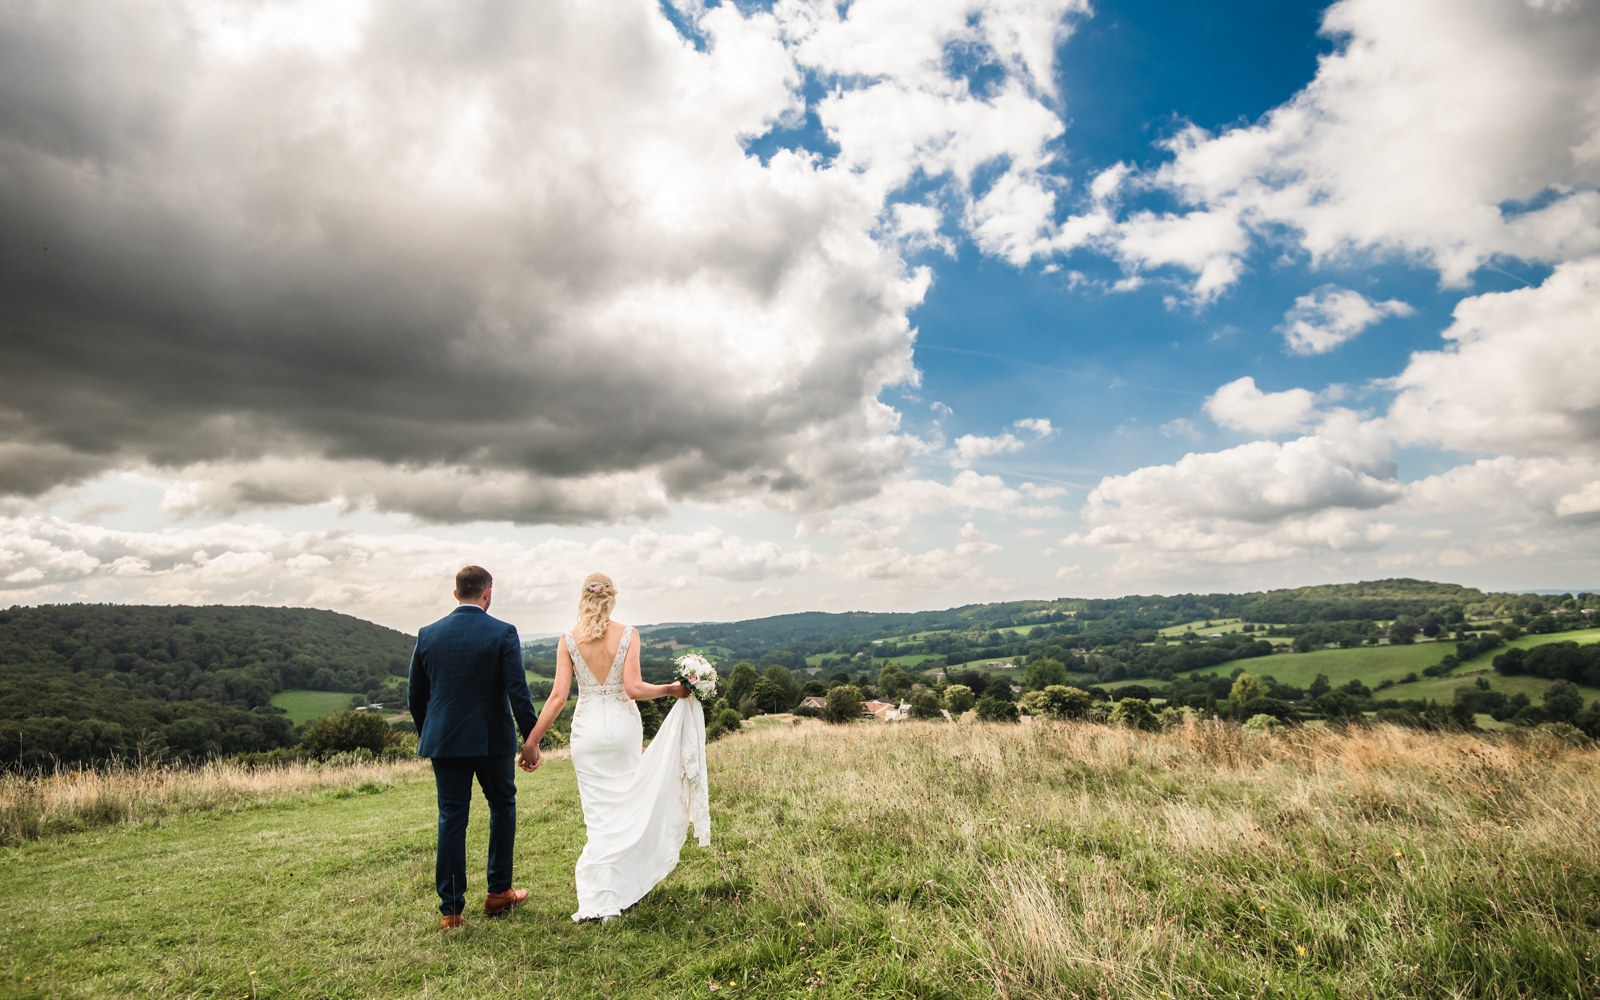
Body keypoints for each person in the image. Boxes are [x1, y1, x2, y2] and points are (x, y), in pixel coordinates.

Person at [519, 572, 711, 922]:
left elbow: (559, 696)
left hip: (588, 731)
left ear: (584, 598)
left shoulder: (567, 639)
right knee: (625, 807)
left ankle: (602, 898)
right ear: (612, 598)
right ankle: (621, 890)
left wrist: (532, 742)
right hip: (623, 729)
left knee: (598, 816)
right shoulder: (628, 634)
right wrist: (670, 689)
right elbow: (634, 689)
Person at [408, 565, 540, 929]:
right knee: (502, 806)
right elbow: (518, 691)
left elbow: (415, 697)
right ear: (488, 594)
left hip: (443, 740)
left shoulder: (427, 634)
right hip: (492, 739)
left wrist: (430, 734)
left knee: (452, 817)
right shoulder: (502, 632)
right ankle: (498, 892)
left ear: (456, 594)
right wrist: (531, 740)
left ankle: (451, 911)